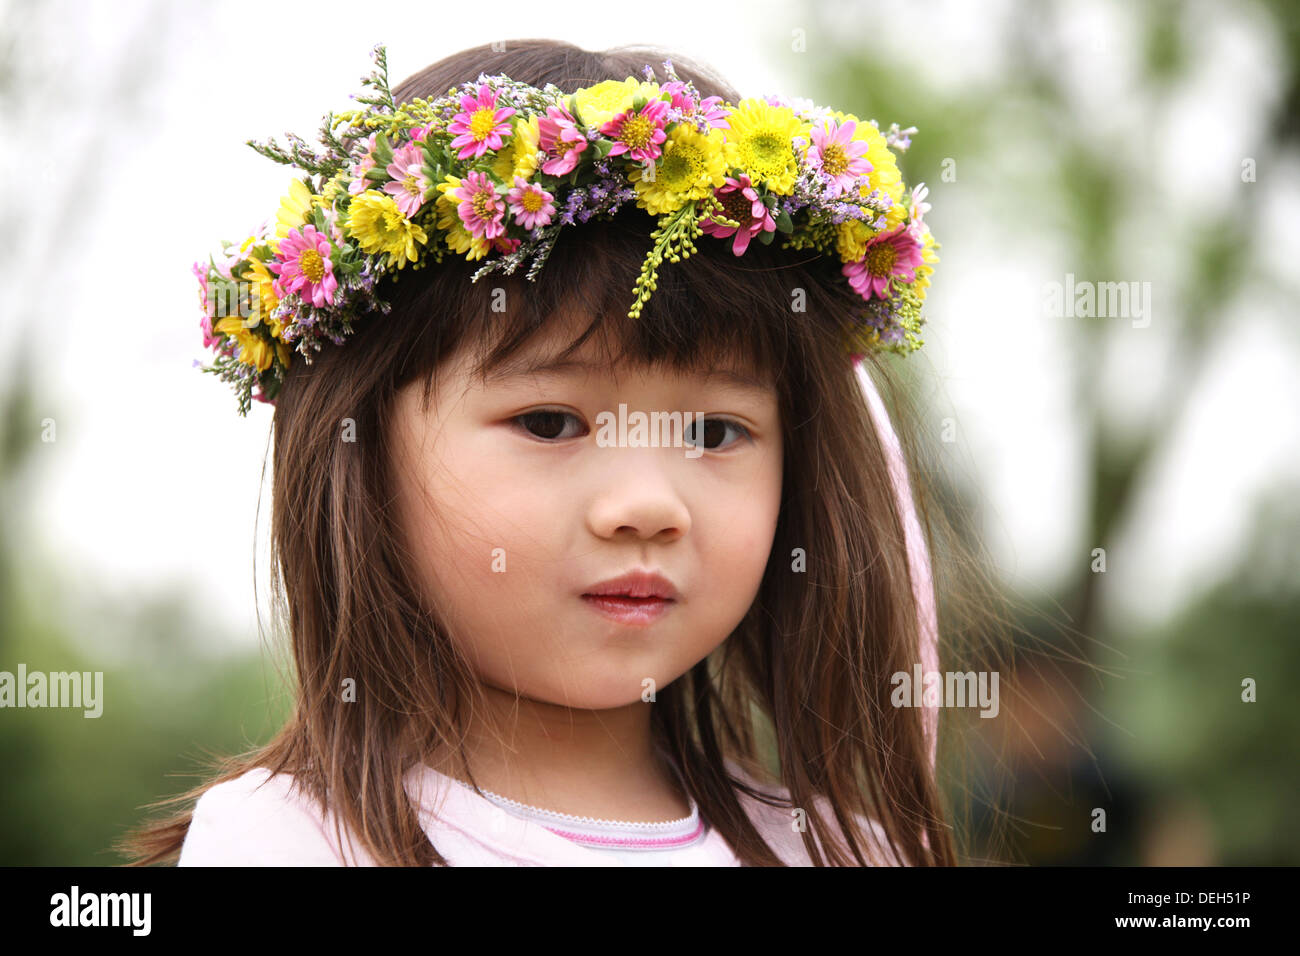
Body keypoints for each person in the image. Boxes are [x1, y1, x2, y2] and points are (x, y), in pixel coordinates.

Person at [120, 37, 961, 866]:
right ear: (358, 451)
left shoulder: (847, 852)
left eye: (713, 432)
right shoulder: (291, 845)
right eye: (551, 423)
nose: (647, 506)